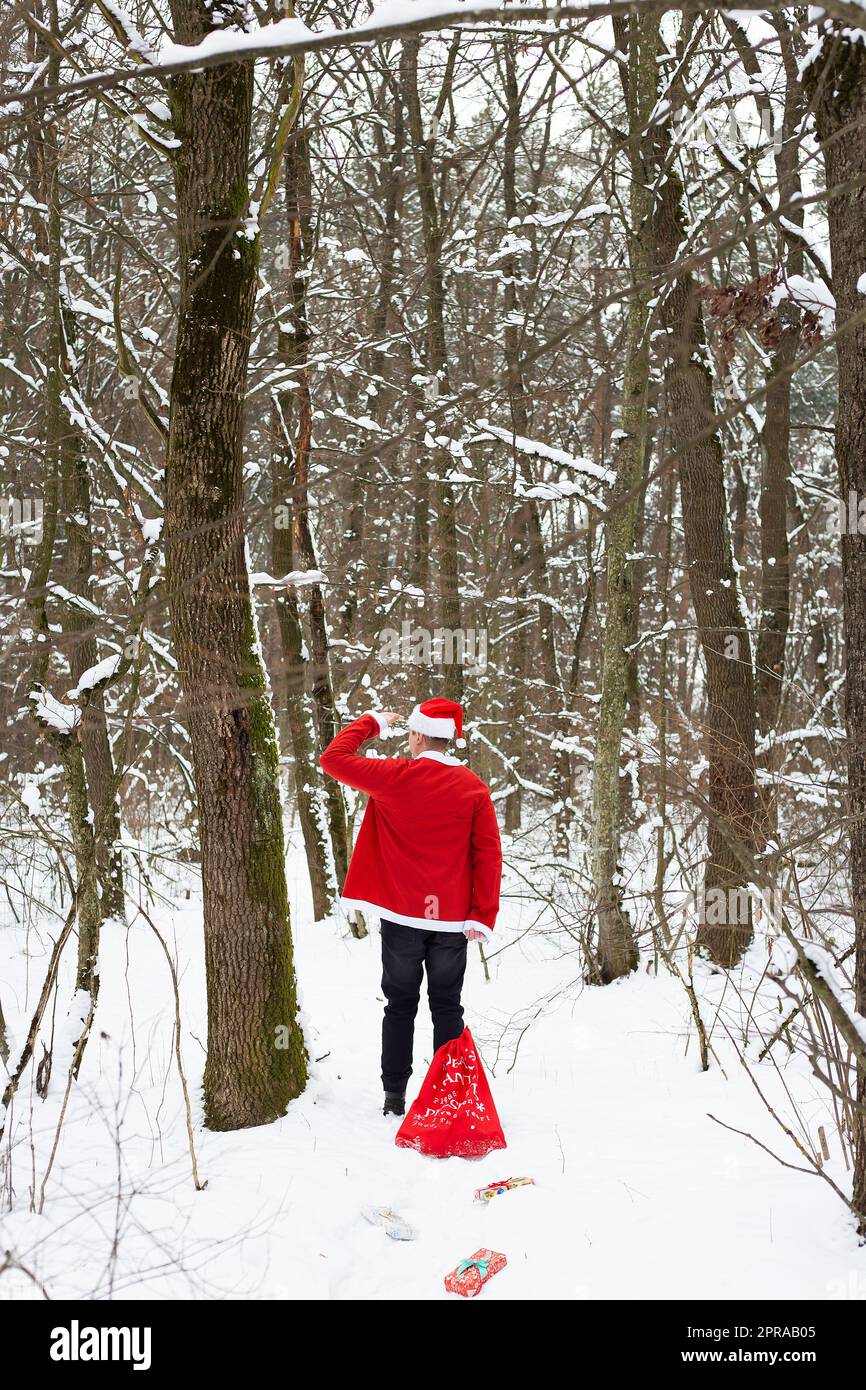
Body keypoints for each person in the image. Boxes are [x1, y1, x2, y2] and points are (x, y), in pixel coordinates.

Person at [320, 697, 502, 1116]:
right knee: (447, 1006)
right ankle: (449, 1097)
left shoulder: (395, 777)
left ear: (418, 735)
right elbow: (488, 855)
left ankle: (394, 1097)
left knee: (399, 1004)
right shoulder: (474, 788)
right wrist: (481, 914)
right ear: (450, 740)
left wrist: (371, 723)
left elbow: (333, 758)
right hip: (453, 921)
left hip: (402, 917)